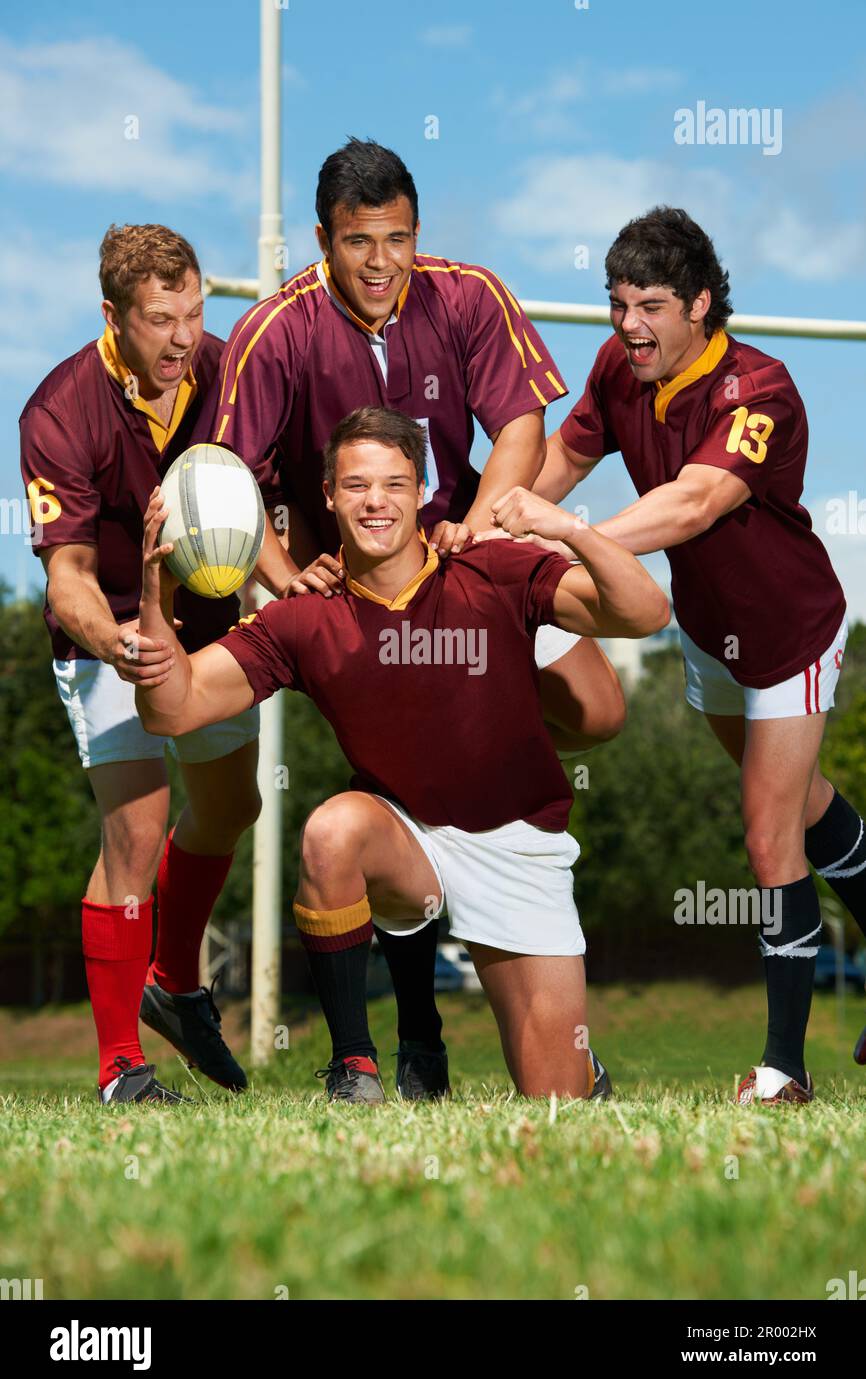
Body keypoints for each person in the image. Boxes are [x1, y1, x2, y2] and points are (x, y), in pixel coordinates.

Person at [193, 137, 626, 1097]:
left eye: (396, 239)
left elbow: (519, 423)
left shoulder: (469, 293)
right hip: (357, 597)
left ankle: (484, 817)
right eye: (358, 242)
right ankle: (410, 1031)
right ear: (323, 240)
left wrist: (475, 527)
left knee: (598, 712)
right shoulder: (278, 329)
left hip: (464, 570)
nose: (380, 262)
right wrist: (277, 579)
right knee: (378, 795)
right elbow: (230, 480)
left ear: (417, 233)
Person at [135, 407, 670, 1101]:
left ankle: (581, 1071)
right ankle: (354, 1068)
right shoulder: (303, 615)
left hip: (516, 841)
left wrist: (567, 529)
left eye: (394, 483)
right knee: (333, 831)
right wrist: (157, 590)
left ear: (422, 492)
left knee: (556, 1102)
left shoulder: (489, 568)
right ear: (327, 496)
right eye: (355, 486)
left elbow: (646, 613)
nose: (375, 501)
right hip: (406, 839)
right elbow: (172, 709)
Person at [533, 205, 863, 1104]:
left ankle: (786, 1072)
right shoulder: (616, 368)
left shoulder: (762, 387)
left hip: (790, 630)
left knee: (768, 833)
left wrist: (564, 535)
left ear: (700, 306)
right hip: (707, 634)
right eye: (615, 303)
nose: (627, 325)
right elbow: (563, 457)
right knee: (800, 804)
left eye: (648, 305)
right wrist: (493, 525)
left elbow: (690, 504)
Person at [19, 224, 259, 1104]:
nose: (183, 337)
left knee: (235, 804)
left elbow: (256, 508)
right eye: (160, 320)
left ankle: (175, 980)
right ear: (113, 315)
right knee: (136, 825)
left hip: (208, 625)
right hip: (108, 629)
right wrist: (118, 645)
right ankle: (121, 1065)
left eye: (194, 313)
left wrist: (290, 582)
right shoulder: (57, 410)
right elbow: (68, 575)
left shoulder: (232, 373)